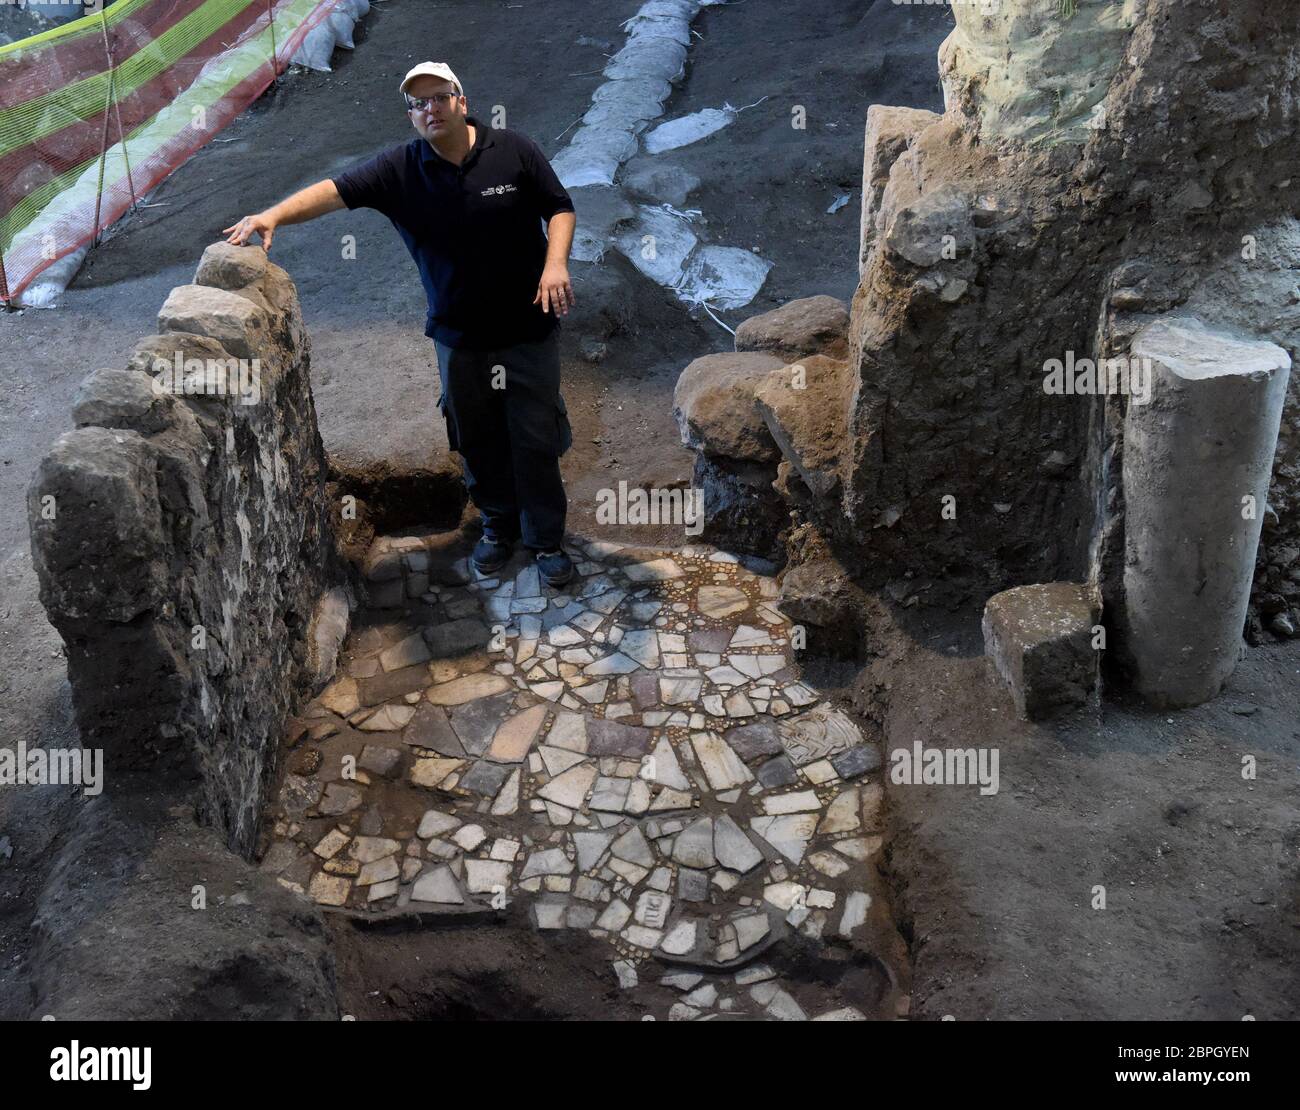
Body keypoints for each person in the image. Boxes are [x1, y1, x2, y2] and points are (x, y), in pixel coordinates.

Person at [223, 61, 579, 586]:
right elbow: (333, 190)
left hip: (528, 327)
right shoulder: (400, 170)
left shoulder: (513, 150)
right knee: (476, 437)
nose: (429, 109)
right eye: (418, 104)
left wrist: (555, 263)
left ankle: (546, 539)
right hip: (459, 336)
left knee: (535, 434)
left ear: (460, 99)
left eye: (438, 98)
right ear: (410, 115)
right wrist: (272, 215)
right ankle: (498, 527)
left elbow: (560, 207)